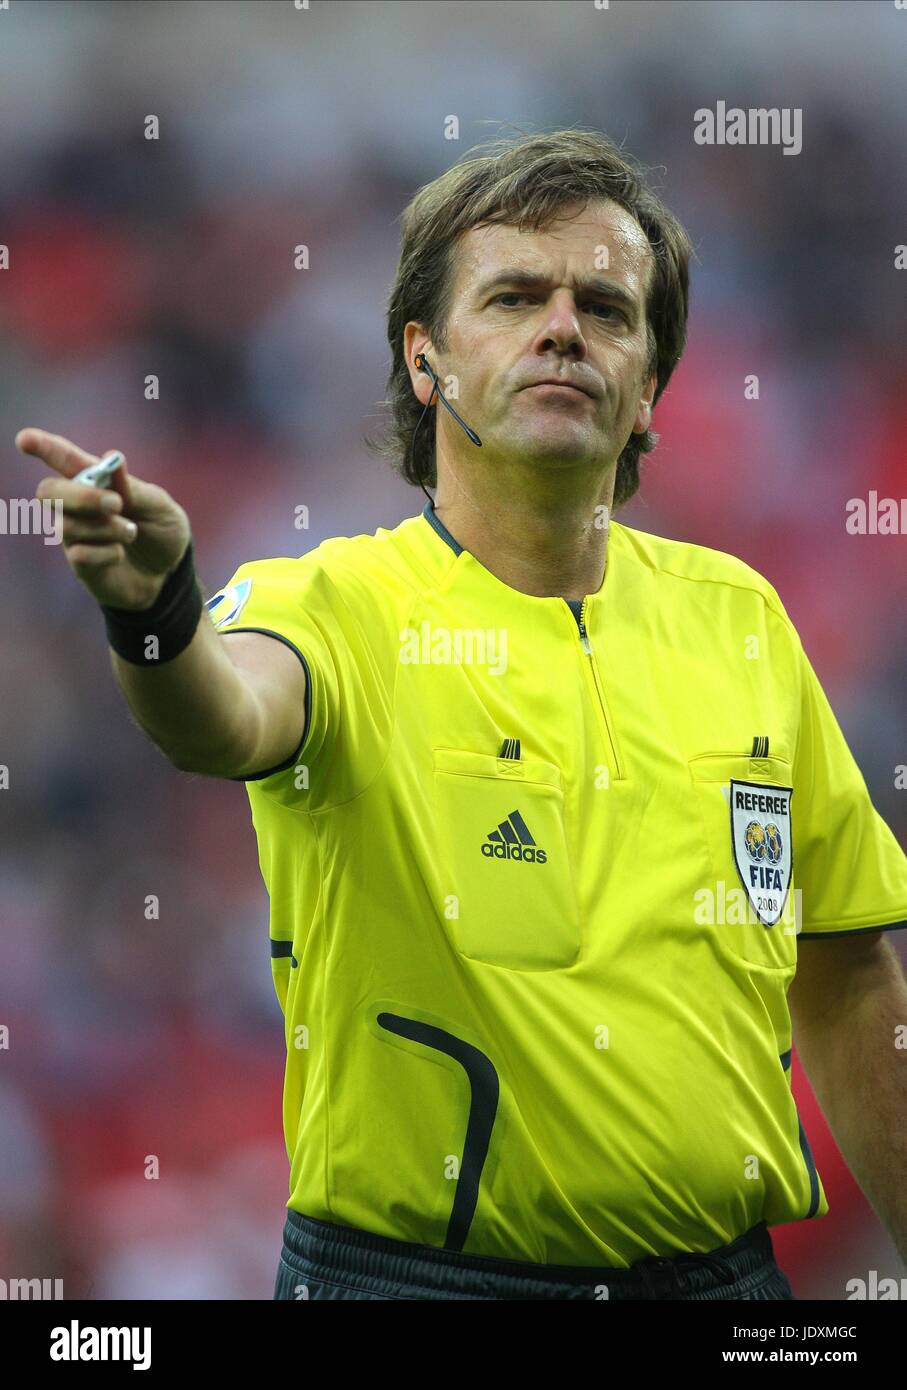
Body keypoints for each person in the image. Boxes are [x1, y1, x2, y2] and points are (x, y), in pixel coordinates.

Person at [19, 129, 907, 1302]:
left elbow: (846, 979)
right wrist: (155, 614)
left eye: (606, 306)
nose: (562, 328)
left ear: (648, 385)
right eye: (514, 297)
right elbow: (218, 718)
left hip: (729, 1291)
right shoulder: (333, 602)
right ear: (424, 359)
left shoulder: (739, 618)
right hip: (418, 1285)